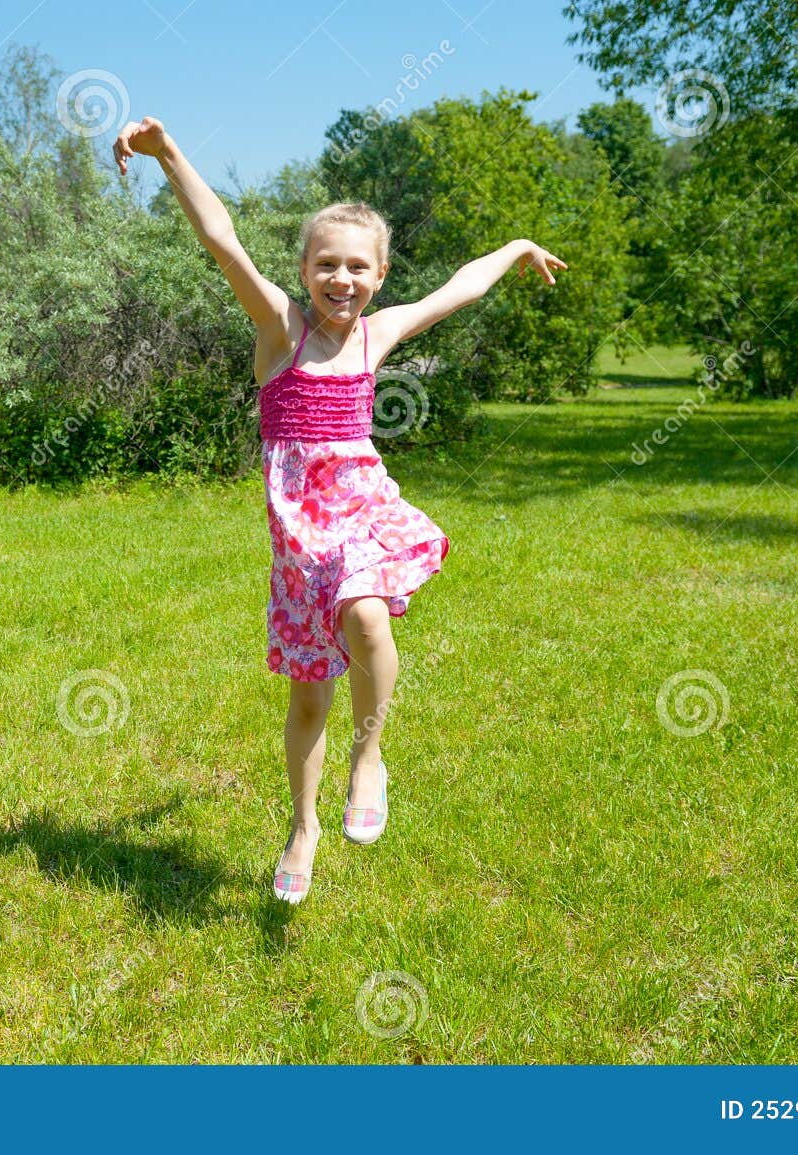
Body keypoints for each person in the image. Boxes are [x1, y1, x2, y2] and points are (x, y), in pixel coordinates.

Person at [114, 116, 566, 904]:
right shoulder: (280, 328)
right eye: (327, 264)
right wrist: (169, 153)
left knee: (367, 614)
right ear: (304, 269)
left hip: (362, 515)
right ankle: (303, 827)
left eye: (358, 266)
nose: (342, 278)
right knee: (308, 698)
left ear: (379, 275)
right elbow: (222, 241)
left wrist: (517, 246)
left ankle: (370, 755)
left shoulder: (375, 335)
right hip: (300, 544)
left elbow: (460, 288)